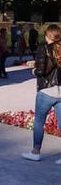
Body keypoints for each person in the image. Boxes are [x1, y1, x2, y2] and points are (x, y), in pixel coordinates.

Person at [21, 23, 61, 163]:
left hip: (46, 90)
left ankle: (36, 151)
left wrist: (34, 69)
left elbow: (41, 71)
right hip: (60, 91)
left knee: (39, 121)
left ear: (47, 35)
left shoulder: (43, 48)